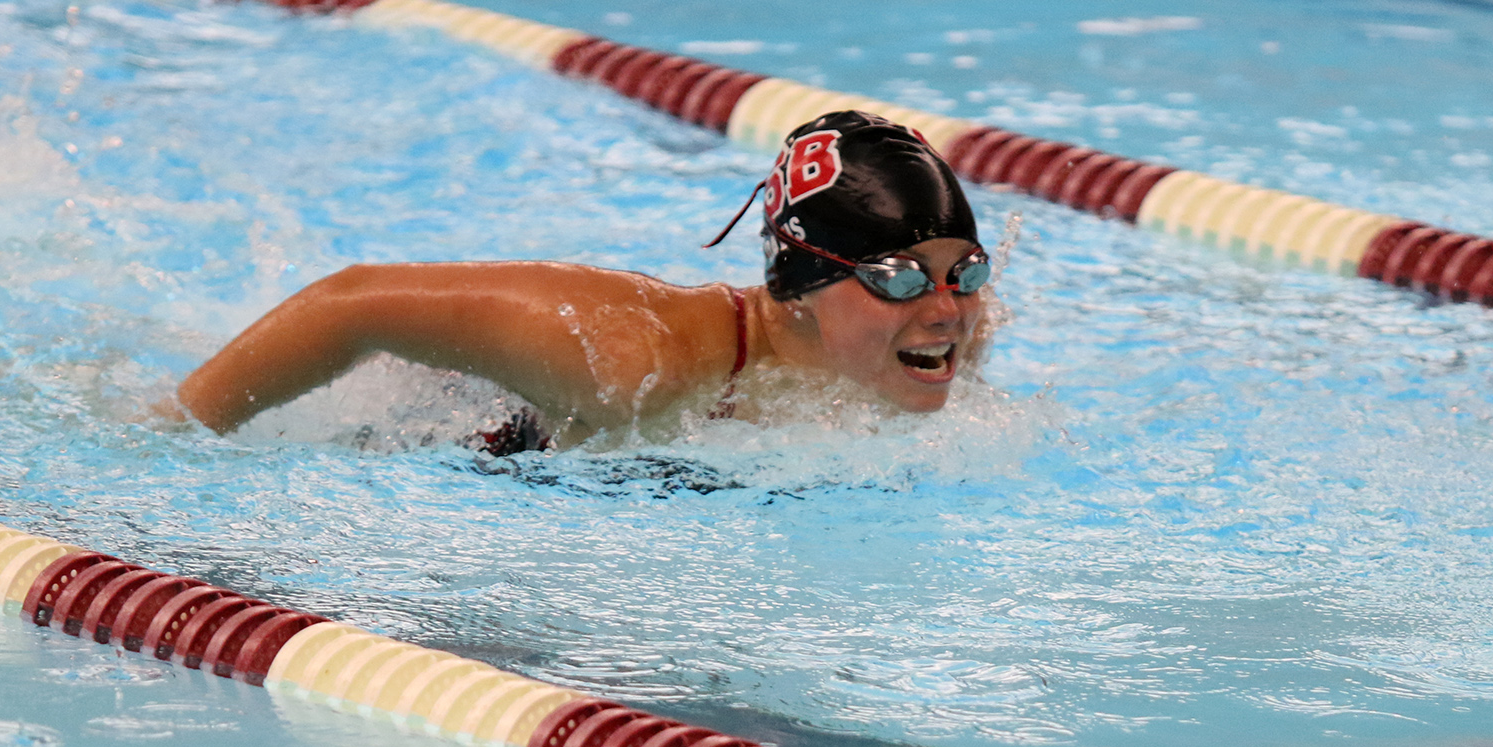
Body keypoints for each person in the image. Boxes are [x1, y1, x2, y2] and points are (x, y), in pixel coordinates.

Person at [174, 110, 992, 452]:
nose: (945, 311)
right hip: (444, 437)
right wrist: (172, 430)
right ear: (801, 287)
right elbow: (349, 303)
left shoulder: (944, 339)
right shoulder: (634, 358)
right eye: (897, 278)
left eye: (964, 271)